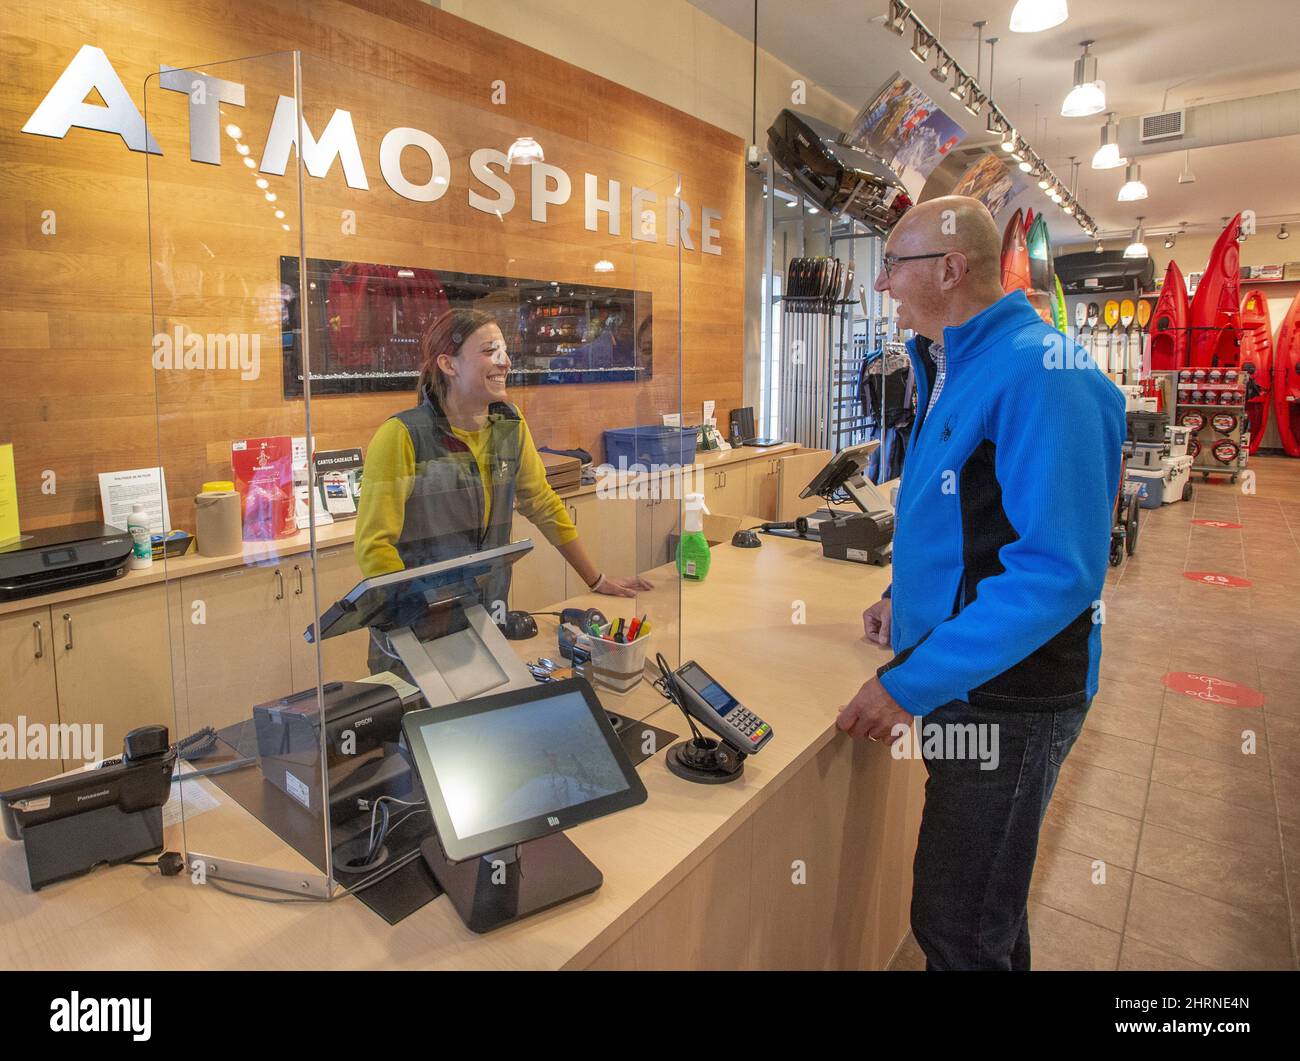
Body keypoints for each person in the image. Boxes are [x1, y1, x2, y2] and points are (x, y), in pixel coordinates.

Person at [835, 195, 1125, 970]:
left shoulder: (1044, 374)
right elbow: (971, 520)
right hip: (975, 683)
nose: (883, 284)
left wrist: (911, 681)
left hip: (1014, 700)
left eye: (893, 265)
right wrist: (908, 601)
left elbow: (1057, 571)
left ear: (950, 268)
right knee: (983, 909)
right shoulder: (957, 362)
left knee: (960, 928)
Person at [356, 307, 651, 677]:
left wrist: (596, 579)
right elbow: (374, 548)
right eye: (490, 351)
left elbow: (541, 501)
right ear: (449, 364)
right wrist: (421, 616)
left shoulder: (508, 423)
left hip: (484, 615)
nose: (505, 361)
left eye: (505, 351)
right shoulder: (401, 436)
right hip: (414, 632)